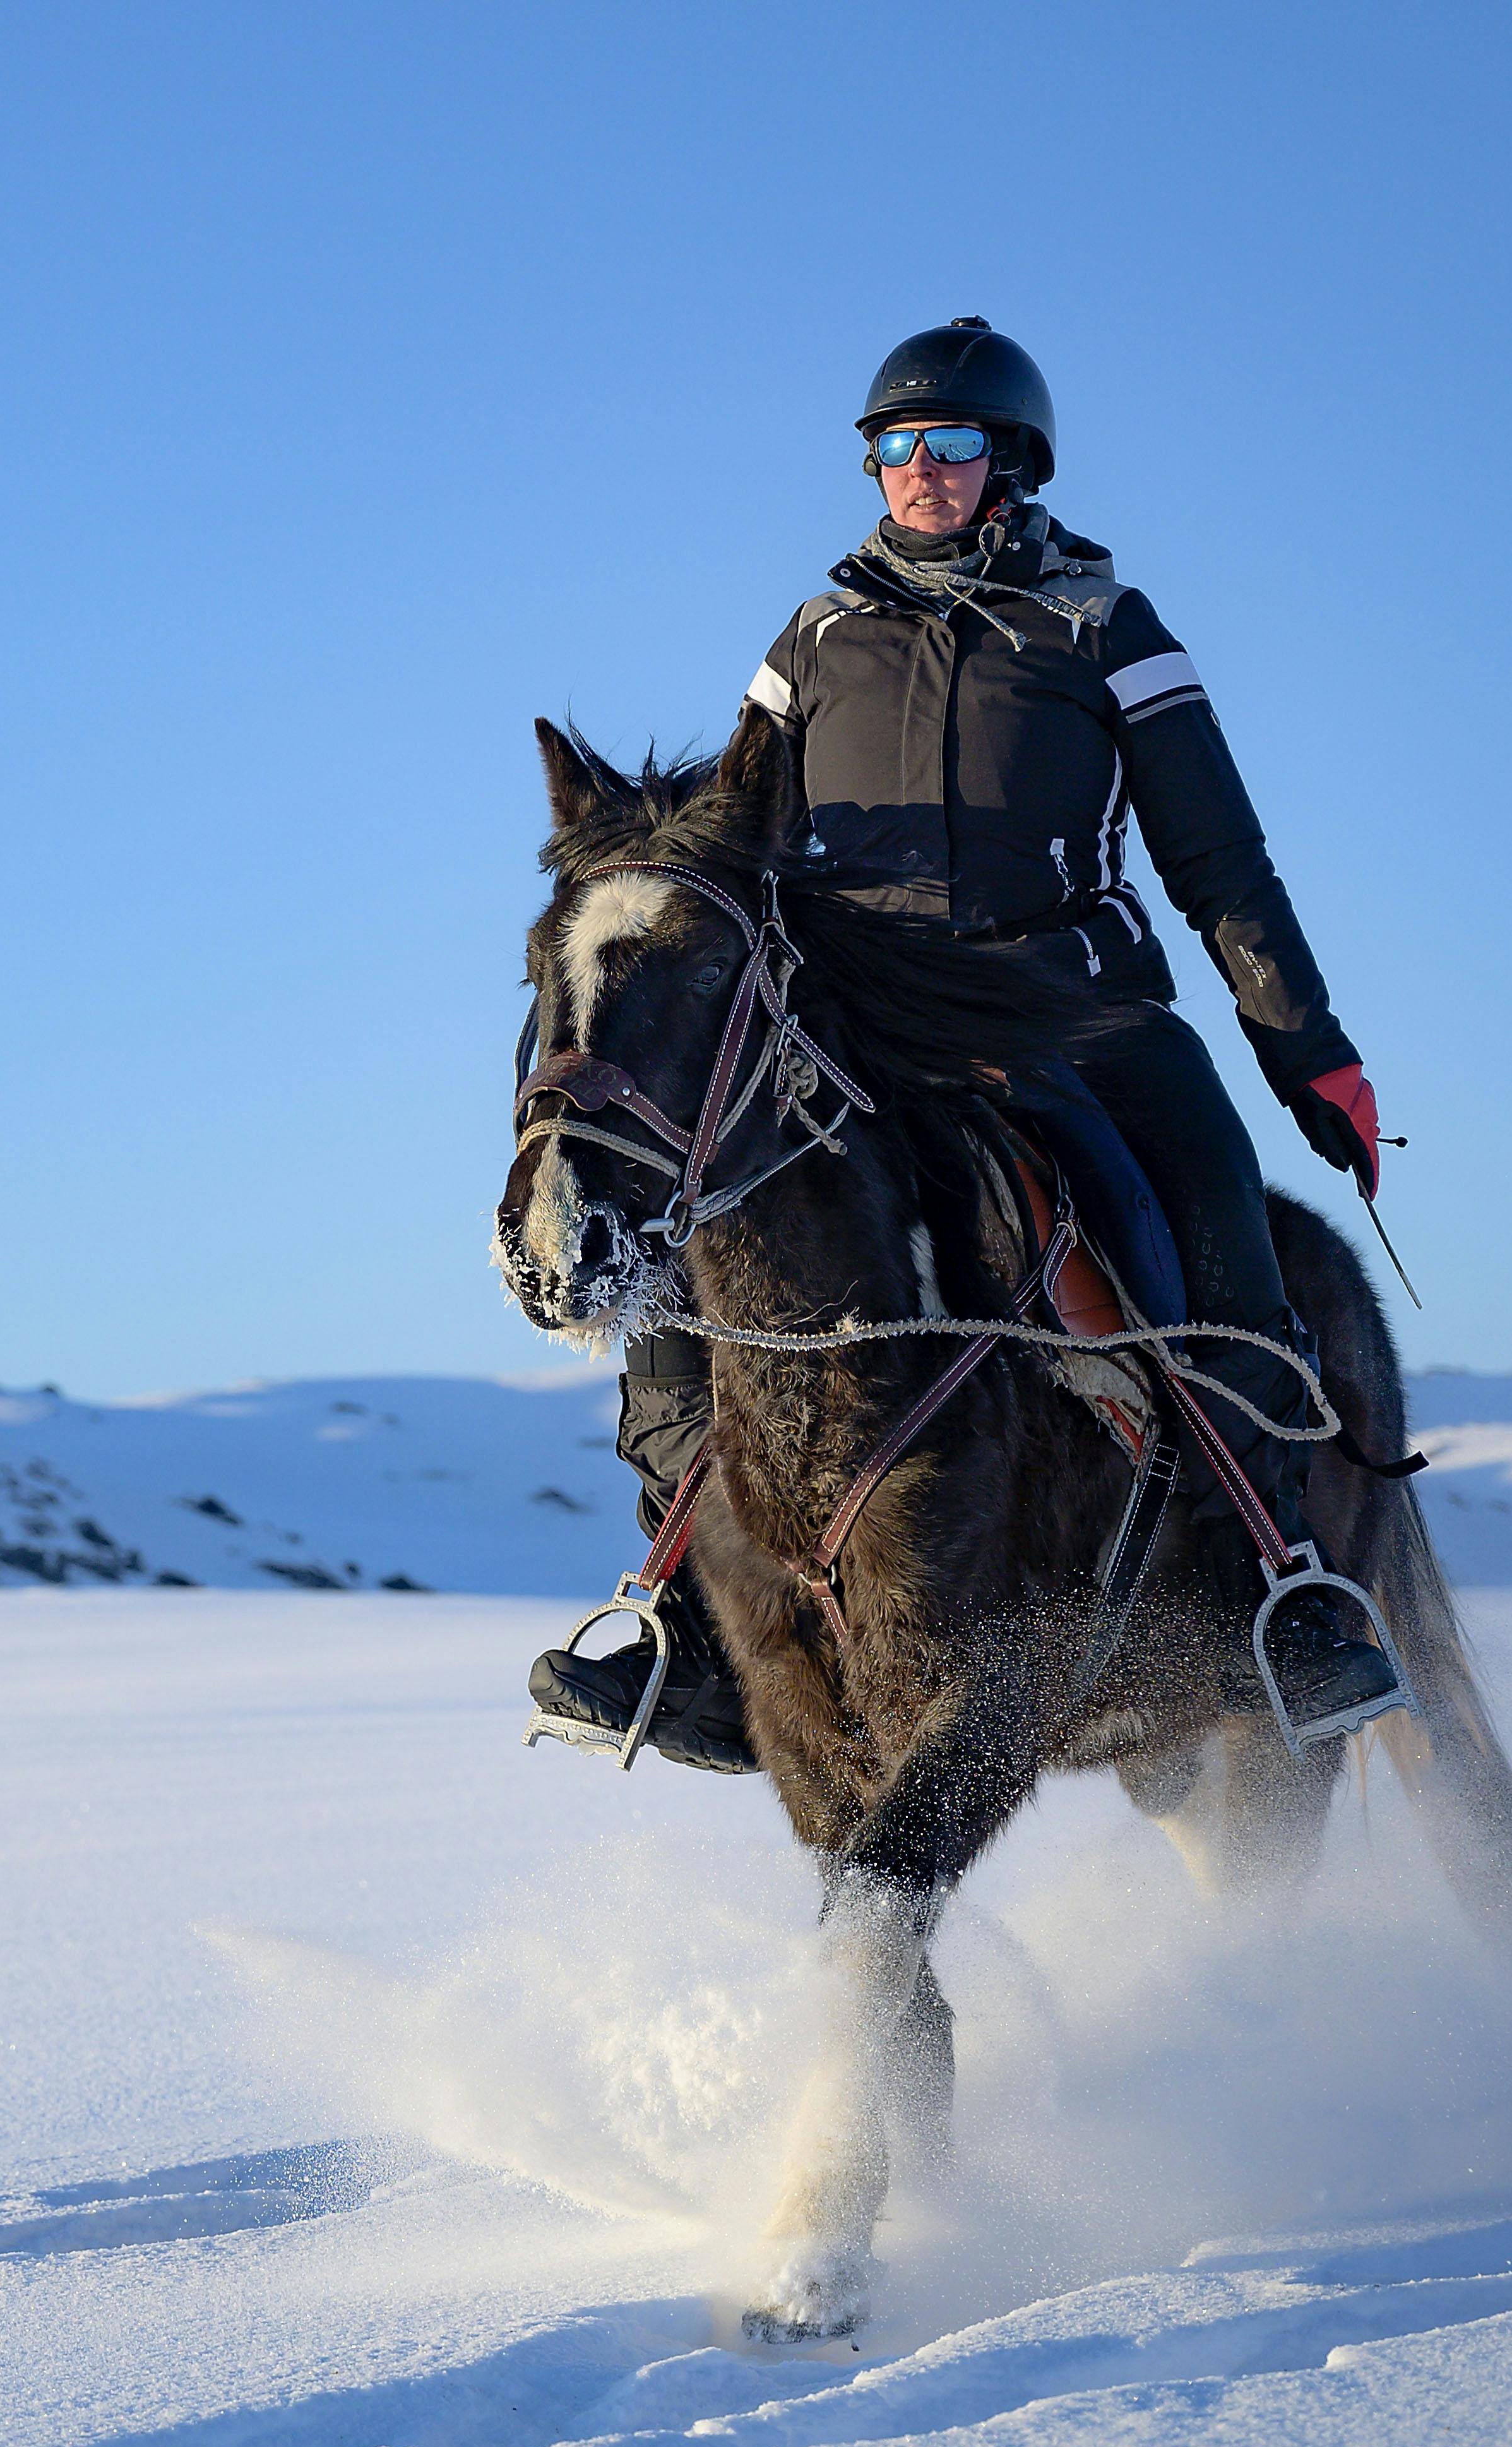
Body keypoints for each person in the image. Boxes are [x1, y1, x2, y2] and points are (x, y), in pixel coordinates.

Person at [537, 316, 1398, 1766]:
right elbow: (735, 837)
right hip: (866, 1030)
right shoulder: (811, 642)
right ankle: (689, 1629)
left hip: (1081, 1014)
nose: (921, 472)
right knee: (689, 1266)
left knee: (1209, 1251)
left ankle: (1280, 1594)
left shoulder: (1106, 626)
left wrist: (1307, 1050)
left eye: (951, 446)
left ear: (1012, 464)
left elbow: (1222, 867)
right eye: (895, 450)